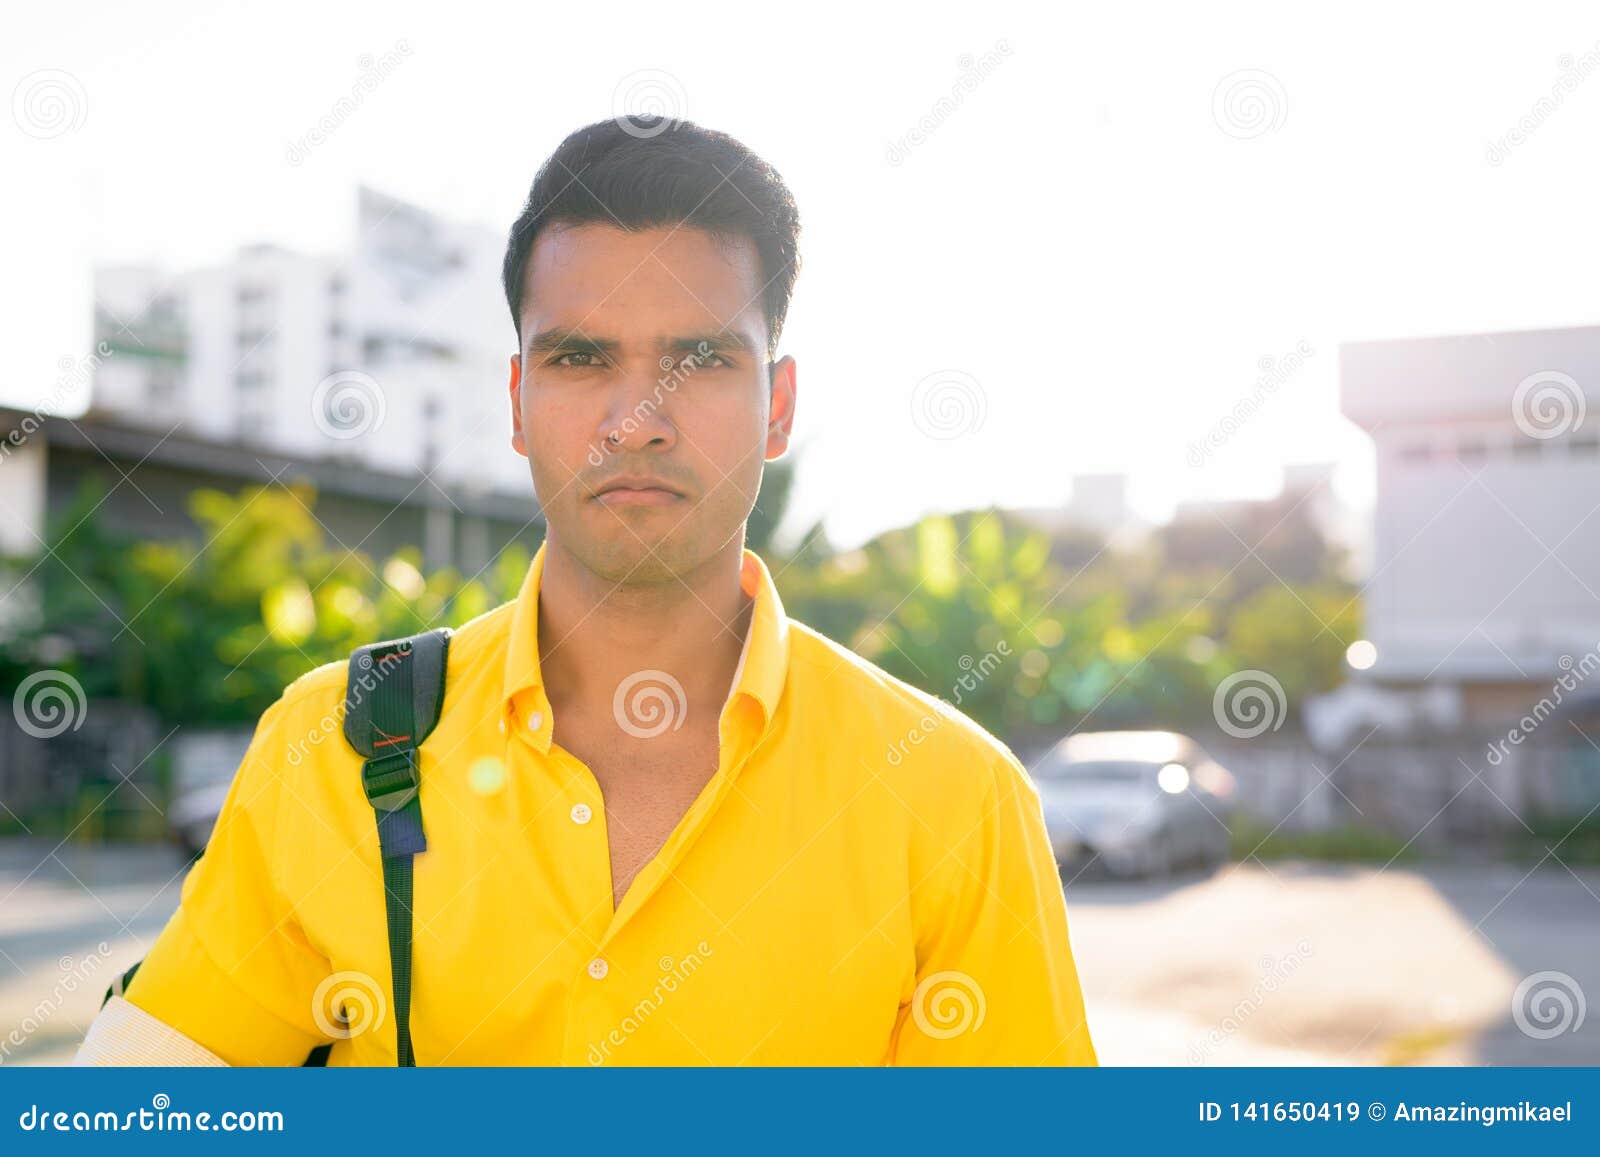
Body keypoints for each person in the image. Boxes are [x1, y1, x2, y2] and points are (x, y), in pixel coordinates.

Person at [77, 117, 1097, 1066]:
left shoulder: (954, 797)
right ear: (518, 402)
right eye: (579, 357)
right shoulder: (331, 752)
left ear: (776, 407)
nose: (635, 419)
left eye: (697, 357)